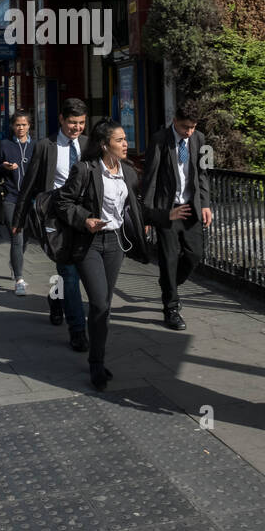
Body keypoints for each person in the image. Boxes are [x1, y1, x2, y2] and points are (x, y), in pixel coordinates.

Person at [54, 119, 190, 389]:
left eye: (126, 139)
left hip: (116, 244)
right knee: (100, 304)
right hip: (89, 244)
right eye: (119, 140)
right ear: (105, 145)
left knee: (104, 307)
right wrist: (85, 220)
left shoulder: (128, 172)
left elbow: (138, 211)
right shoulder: (85, 169)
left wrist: (166, 215)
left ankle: (98, 359)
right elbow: (62, 202)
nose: (126, 144)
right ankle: (95, 364)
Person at [13, 98, 90, 350]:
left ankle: (55, 299)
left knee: (70, 272)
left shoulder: (89, 146)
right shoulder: (46, 147)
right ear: (61, 119)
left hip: (83, 218)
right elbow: (30, 183)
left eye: (81, 123)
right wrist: (19, 218)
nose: (76, 128)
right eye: (72, 123)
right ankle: (78, 330)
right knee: (68, 271)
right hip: (56, 219)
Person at [141, 99, 213, 330]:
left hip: (191, 208)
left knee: (195, 254)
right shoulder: (159, 140)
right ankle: (171, 308)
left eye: (192, 127)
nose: (189, 132)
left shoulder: (200, 139)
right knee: (169, 259)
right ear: (175, 121)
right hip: (168, 210)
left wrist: (205, 204)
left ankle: (169, 282)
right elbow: (150, 178)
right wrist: (149, 215)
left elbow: (203, 174)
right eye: (185, 127)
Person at [0, 109, 35, 294]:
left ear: (29, 126)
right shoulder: (5, 145)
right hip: (10, 197)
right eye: (17, 125)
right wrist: (3, 167)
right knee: (16, 236)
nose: (21, 128)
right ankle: (19, 279)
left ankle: (14, 261)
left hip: (30, 199)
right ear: (12, 126)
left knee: (24, 238)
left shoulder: (36, 146)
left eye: (24, 124)